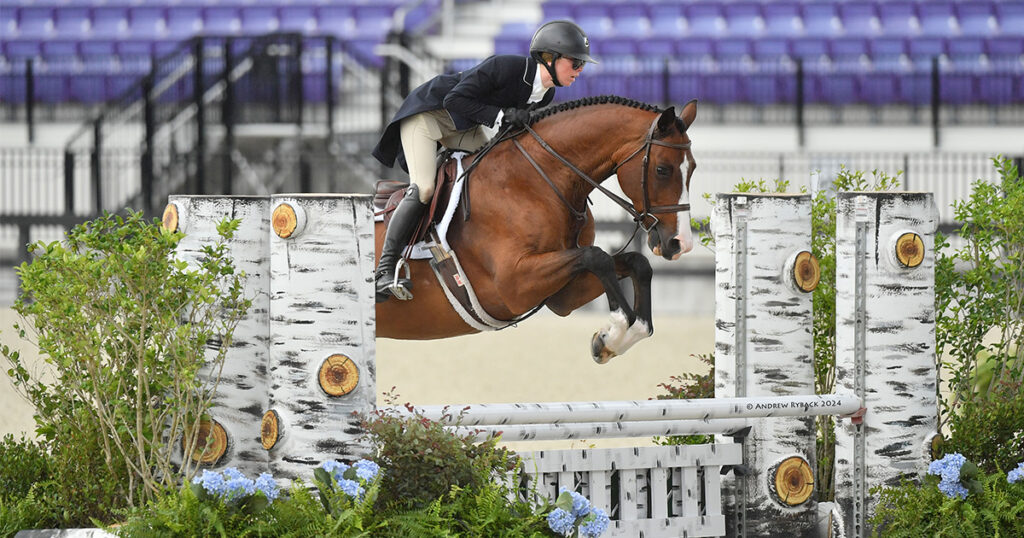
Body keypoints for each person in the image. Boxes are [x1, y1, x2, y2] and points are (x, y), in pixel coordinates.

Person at [370, 20, 597, 302]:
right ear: (549, 58)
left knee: (497, 167)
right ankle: (384, 269)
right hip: (427, 119)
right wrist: (501, 116)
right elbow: (454, 100)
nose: (580, 70)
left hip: (462, 127)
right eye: (576, 63)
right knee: (424, 188)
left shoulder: (546, 93)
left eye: (581, 65)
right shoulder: (506, 67)